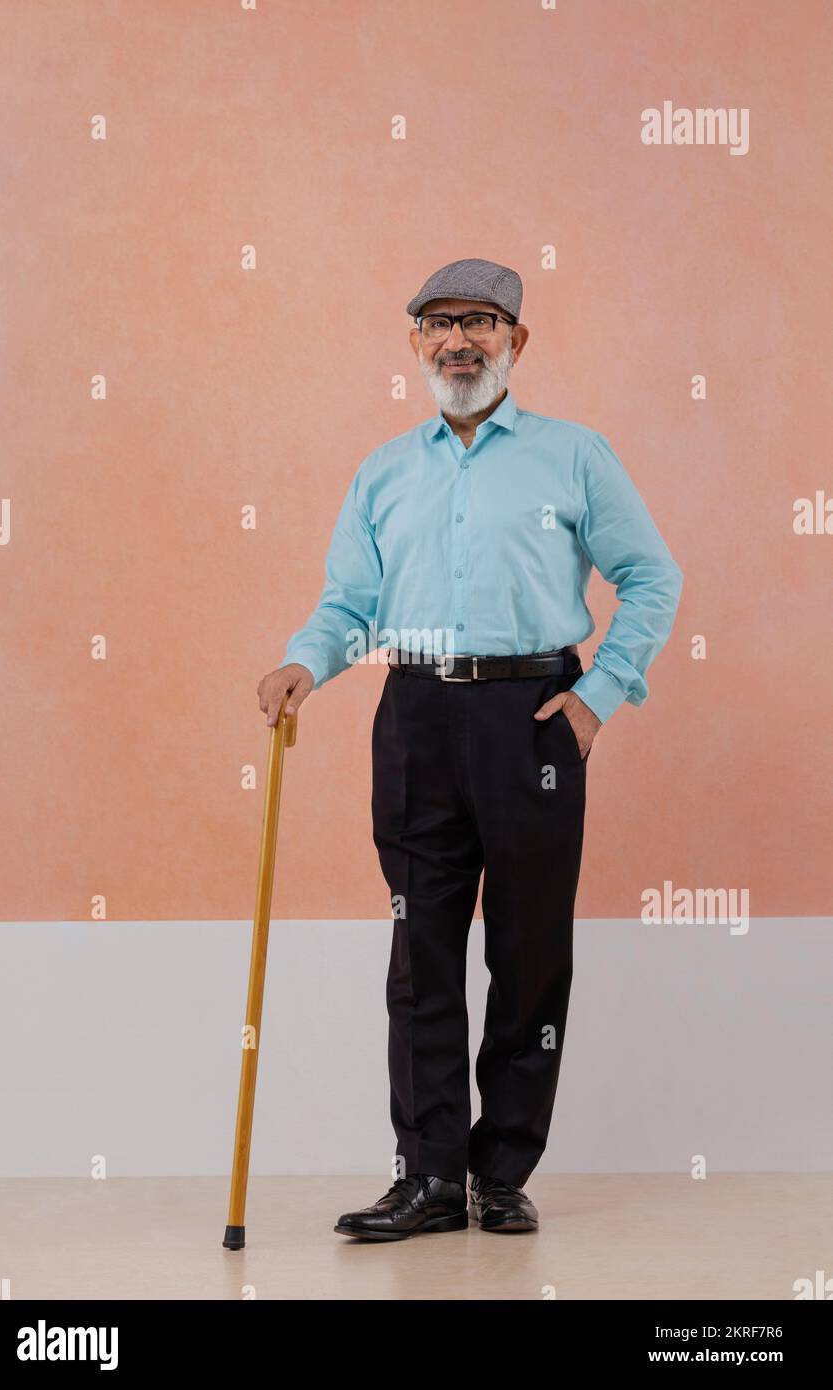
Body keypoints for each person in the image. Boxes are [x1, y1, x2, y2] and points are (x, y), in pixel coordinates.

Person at [258, 258, 683, 1241]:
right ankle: (427, 1178)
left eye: (480, 321)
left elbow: (650, 577)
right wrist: (301, 664)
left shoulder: (574, 456)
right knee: (420, 954)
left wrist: (594, 699)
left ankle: (500, 1172)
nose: (458, 339)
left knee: (528, 952)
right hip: (411, 717)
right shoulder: (382, 471)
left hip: (533, 712)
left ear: (514, 343)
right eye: (439, 322)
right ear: (415, 342)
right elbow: (347, 605)